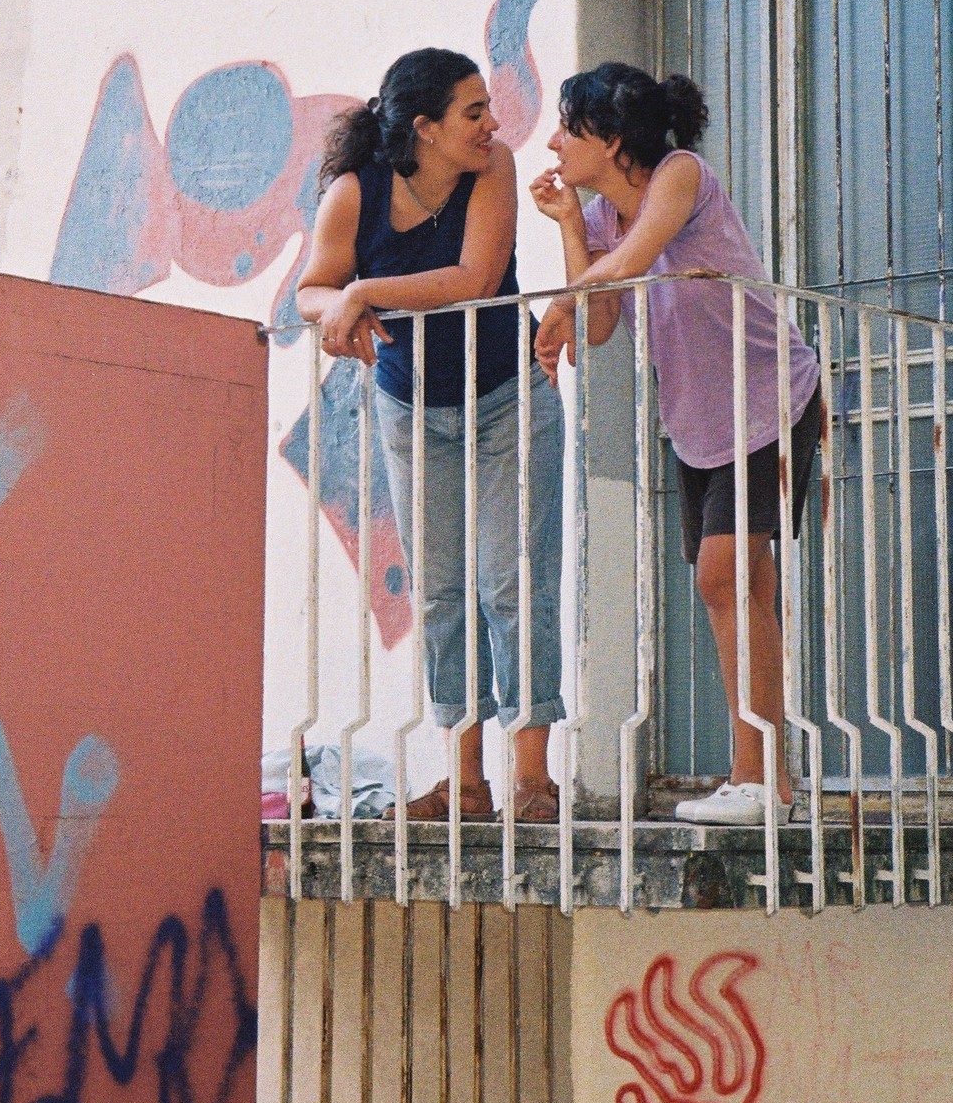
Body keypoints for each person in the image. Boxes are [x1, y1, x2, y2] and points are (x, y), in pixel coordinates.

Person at [530, 62, 821, 828]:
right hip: (699, 420)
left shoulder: (680, 176)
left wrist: (565, 300)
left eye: (568, 127)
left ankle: (757, 778)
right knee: (741, 583)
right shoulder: (599, 219)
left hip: (767, 398)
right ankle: (771, 786)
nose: (554, 142)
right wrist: (567, 228)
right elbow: (600, 324)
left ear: (612, 138)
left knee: (722, 577)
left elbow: (622, 269)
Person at [297, 48, 565, 823]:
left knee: (514, 582)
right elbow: (312, 287)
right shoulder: (354, 195)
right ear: (425, 128)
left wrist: (363, 292)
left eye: (488, 109)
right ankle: (466, 782)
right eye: (473, 112)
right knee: (443, 592)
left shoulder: (495, 170)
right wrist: (332, 308)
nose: (492, 123)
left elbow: (476, 280)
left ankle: (533, 779)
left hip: (509, 395)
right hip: (410, 407)